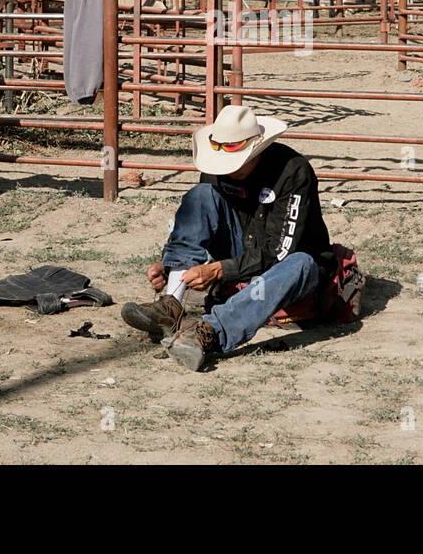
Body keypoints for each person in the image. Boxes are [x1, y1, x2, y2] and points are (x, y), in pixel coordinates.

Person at [122, 105, 334, 371]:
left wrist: (221, 269)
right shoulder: (215, 170)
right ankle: (172, 300)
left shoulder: (293, 172)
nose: (226, 169)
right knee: (201, 195)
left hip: (291, 267)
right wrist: (174, 268)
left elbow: (280, 252)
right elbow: (205, 222)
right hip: (241, 250)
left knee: (300, 263)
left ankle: (210, 331)